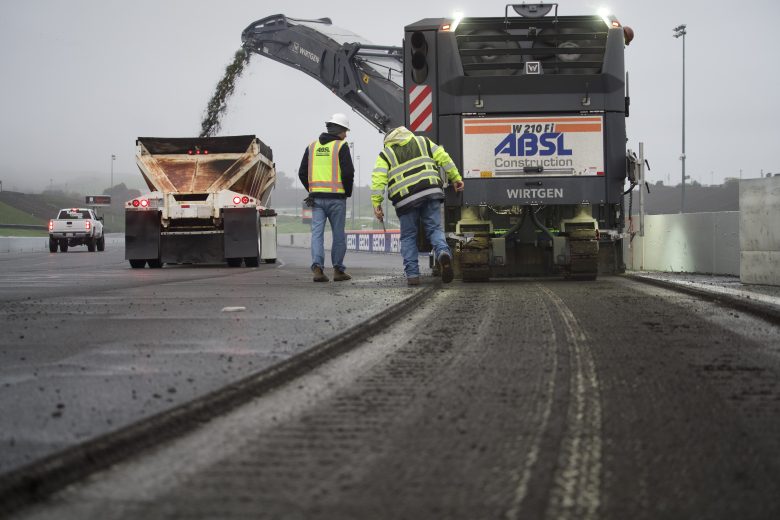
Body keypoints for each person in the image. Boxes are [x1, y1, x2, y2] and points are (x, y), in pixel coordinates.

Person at [370, 126, 464, 286]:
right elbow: (444, 158)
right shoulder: (423, 142)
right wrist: (455, 178)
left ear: (388, 141)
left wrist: (376, 202)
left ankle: (413, 275)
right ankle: (442, 253)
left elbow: (378, 179)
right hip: (430, 191)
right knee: (434, 229)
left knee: (408, 236)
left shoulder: (386, 154)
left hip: (405, 200)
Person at [298, 113, 355, 282]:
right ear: (339, 130)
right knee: (338, 235)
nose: (346, 135)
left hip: (316, 200)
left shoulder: (312, 147)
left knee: (317, 234)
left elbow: (302, 173)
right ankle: (338, 270)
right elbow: (348, 172)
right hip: (337, 199)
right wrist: (347, 192)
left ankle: (317, 269)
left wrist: (313, 190)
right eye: (345, 131)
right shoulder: (341, 146)